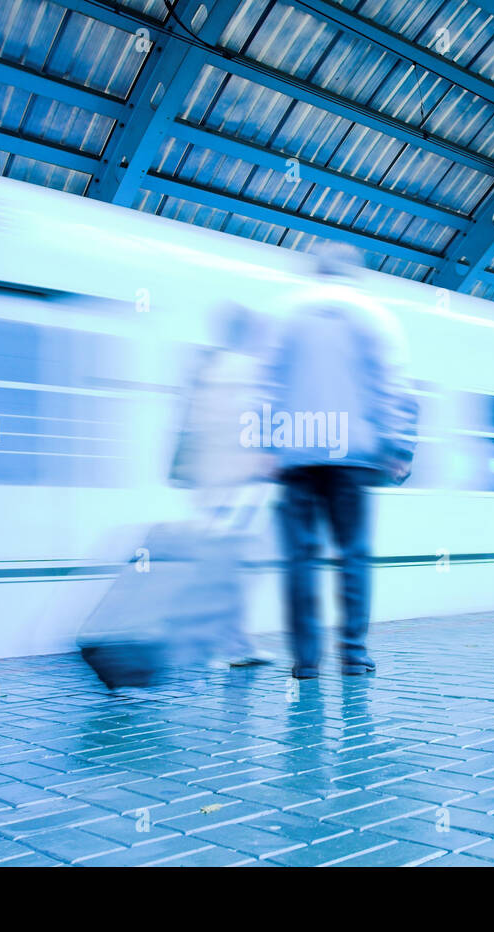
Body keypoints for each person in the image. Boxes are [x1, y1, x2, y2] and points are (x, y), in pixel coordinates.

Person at [268, 243, 410, 679]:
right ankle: (353, 654)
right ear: (354, 271)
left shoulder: (287, 311)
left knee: (300, 558)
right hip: (352, 454)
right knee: (353, 555)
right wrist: (397, 446)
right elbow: (389, 384)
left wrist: (263, 444)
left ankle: (306, 660)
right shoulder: (372, 315)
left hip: (297, 454)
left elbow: (265, 381)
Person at [170, 301, 275, 667]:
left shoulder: (211, 367)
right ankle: (215, 644)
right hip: (236, 484)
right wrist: (263, 461)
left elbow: (198, 426)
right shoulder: (245, 369)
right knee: (232, 566)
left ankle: (233, 643)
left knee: (225, 565)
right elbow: (246, 426)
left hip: (209, 482)